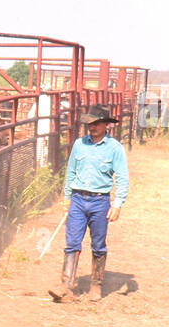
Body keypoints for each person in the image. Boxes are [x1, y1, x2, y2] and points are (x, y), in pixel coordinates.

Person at [48, 103, 128, 303]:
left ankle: (96, 284)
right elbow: (71, 172)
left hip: (100, 201)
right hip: (77, 199)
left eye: (96, 123)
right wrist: (67, 198)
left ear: (106, 125)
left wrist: (117, 204)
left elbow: (123, 177)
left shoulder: (114, 148)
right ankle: (66, 285)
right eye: (89, 123)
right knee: (72, 243)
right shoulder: (79, 144)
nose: (92, 127)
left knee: (98, 244)